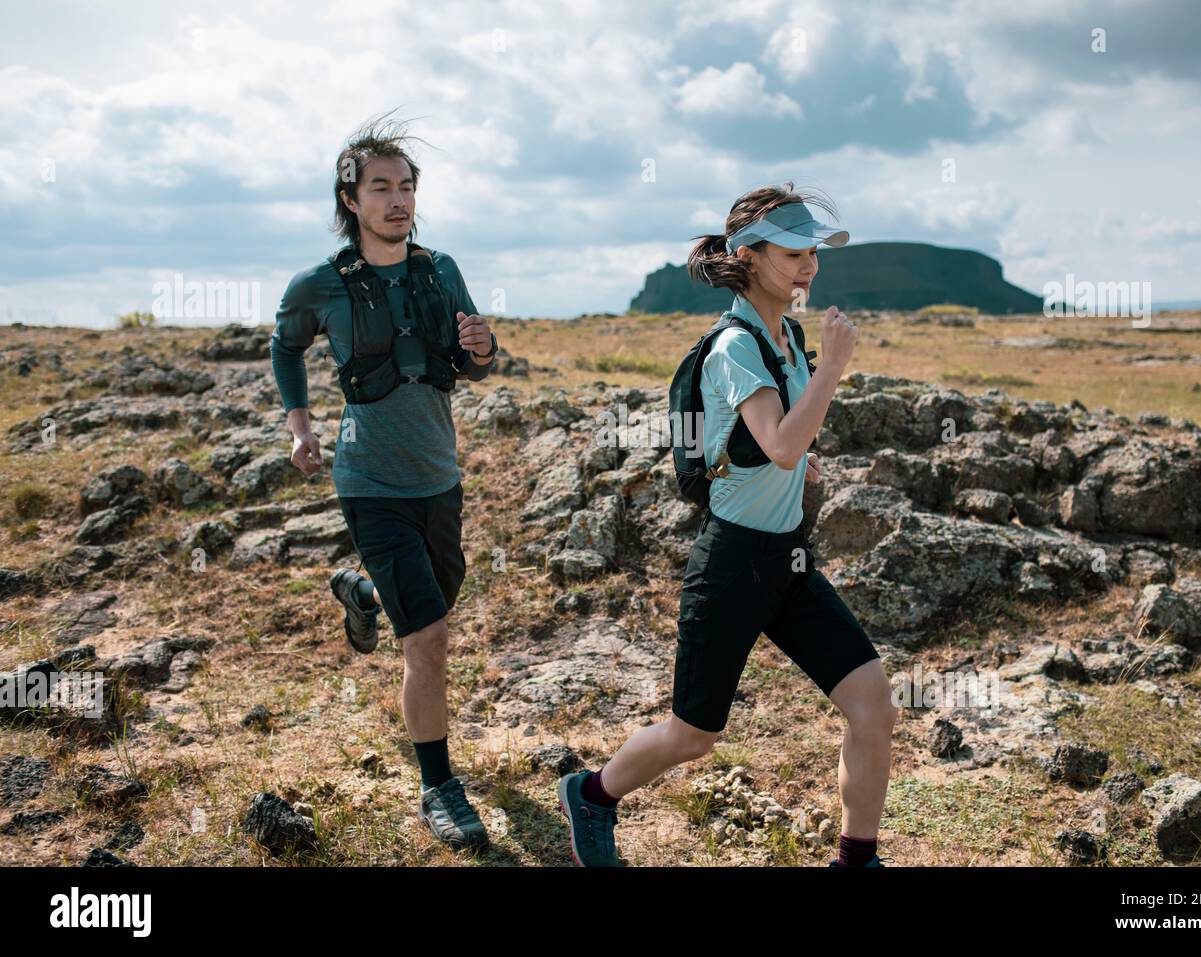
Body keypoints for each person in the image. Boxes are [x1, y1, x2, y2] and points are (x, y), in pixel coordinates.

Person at [558, 184, 897, 867]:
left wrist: (804, 464)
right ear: (747, 256)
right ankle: (591, 793)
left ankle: (857, 860)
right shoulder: (734, 346)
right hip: (734, 563)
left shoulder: (786, 336)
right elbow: (777, 441)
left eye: (814, 252)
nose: (809, 265)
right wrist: (832, 368)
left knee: (874, 706)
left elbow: (780, 444)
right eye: (793, 250)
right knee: (693, 734)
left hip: (790, 562)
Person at [269, 113, 499, 850]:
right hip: (369, 481)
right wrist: (300, 424)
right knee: (428, 638)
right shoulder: (321, 284)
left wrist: (486, 348)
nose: (399, 200)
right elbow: (285, 345)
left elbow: (476, 364)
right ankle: (439, 787)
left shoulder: (442, 269)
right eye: (382, 187)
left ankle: (363, 591)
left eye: (407, 187)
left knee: (430, 601)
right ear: (351, 199)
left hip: (440, 476)